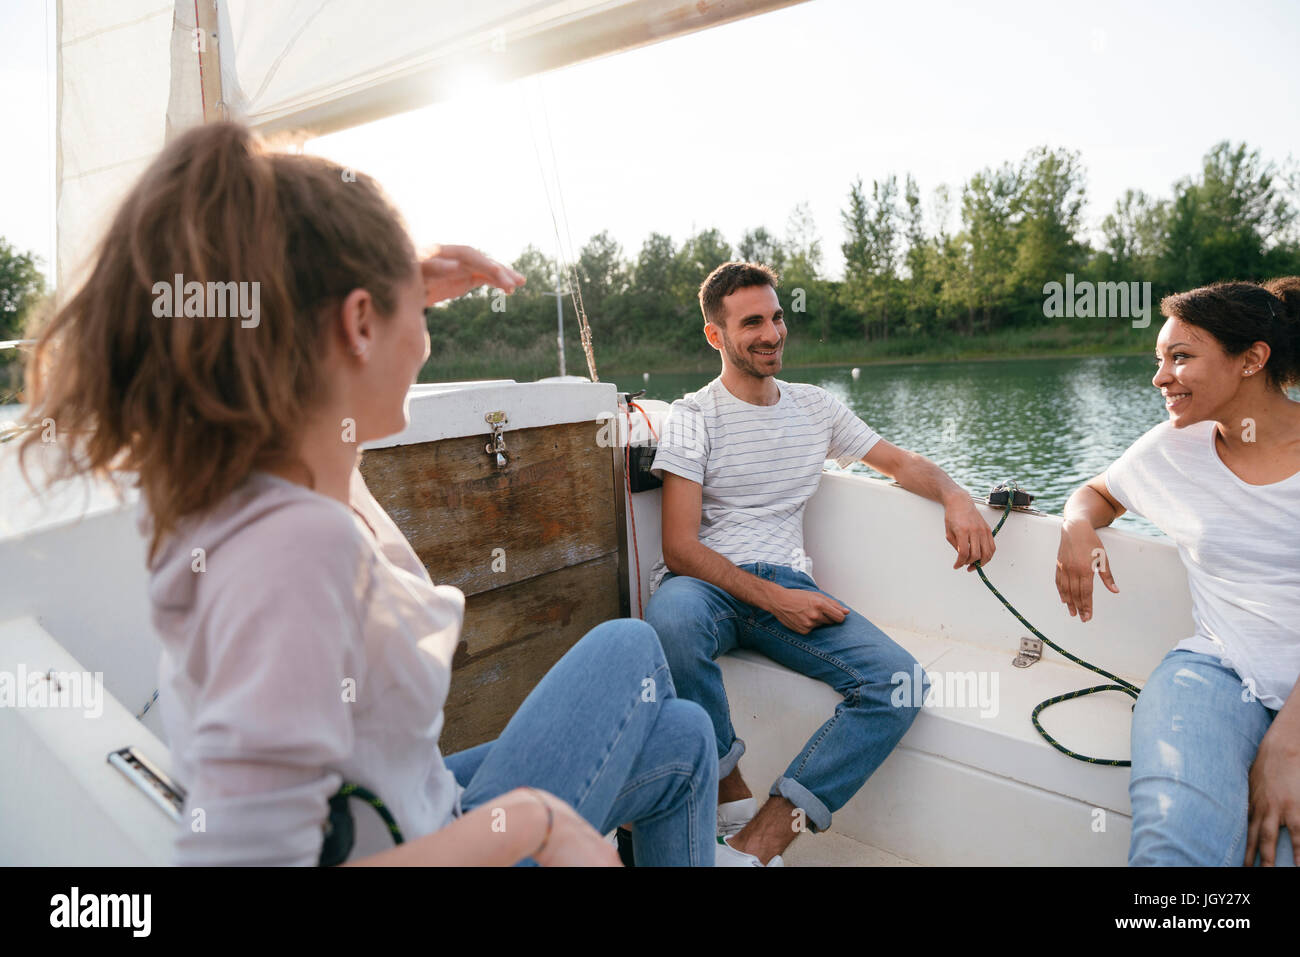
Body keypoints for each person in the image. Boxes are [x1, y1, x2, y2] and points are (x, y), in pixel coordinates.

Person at [18, 121, 718, 866]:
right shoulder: (295, 549)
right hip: (417, 842)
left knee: (683, 736)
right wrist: (531, 819)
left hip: (413, 809)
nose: (423, 337)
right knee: (632, 643)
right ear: (357, 322)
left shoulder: (264, 469)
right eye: (411, 313)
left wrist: (394, 283)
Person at [643, 261, 996, 866]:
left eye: (777, 317)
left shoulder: (816, 408)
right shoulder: (692, 416)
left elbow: (902, 463)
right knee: (669, 619)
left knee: (896, 683)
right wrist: (773, 598)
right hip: (708, 586)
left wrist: (957, 496)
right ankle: (728, 787)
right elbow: (679, 547)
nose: (772, 333)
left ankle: (759, 842)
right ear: (716, 336)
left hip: (788, 581)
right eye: (751, 322)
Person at [1056, 277, 1300, 867]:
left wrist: (1286, 746)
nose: (1160, 377)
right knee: (1173, 844)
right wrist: (1075, 526)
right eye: (1159, 359)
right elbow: (1097, 491)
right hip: (1216, 672)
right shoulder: (1172, 448)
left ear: (1253, 359)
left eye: (1181, 357)